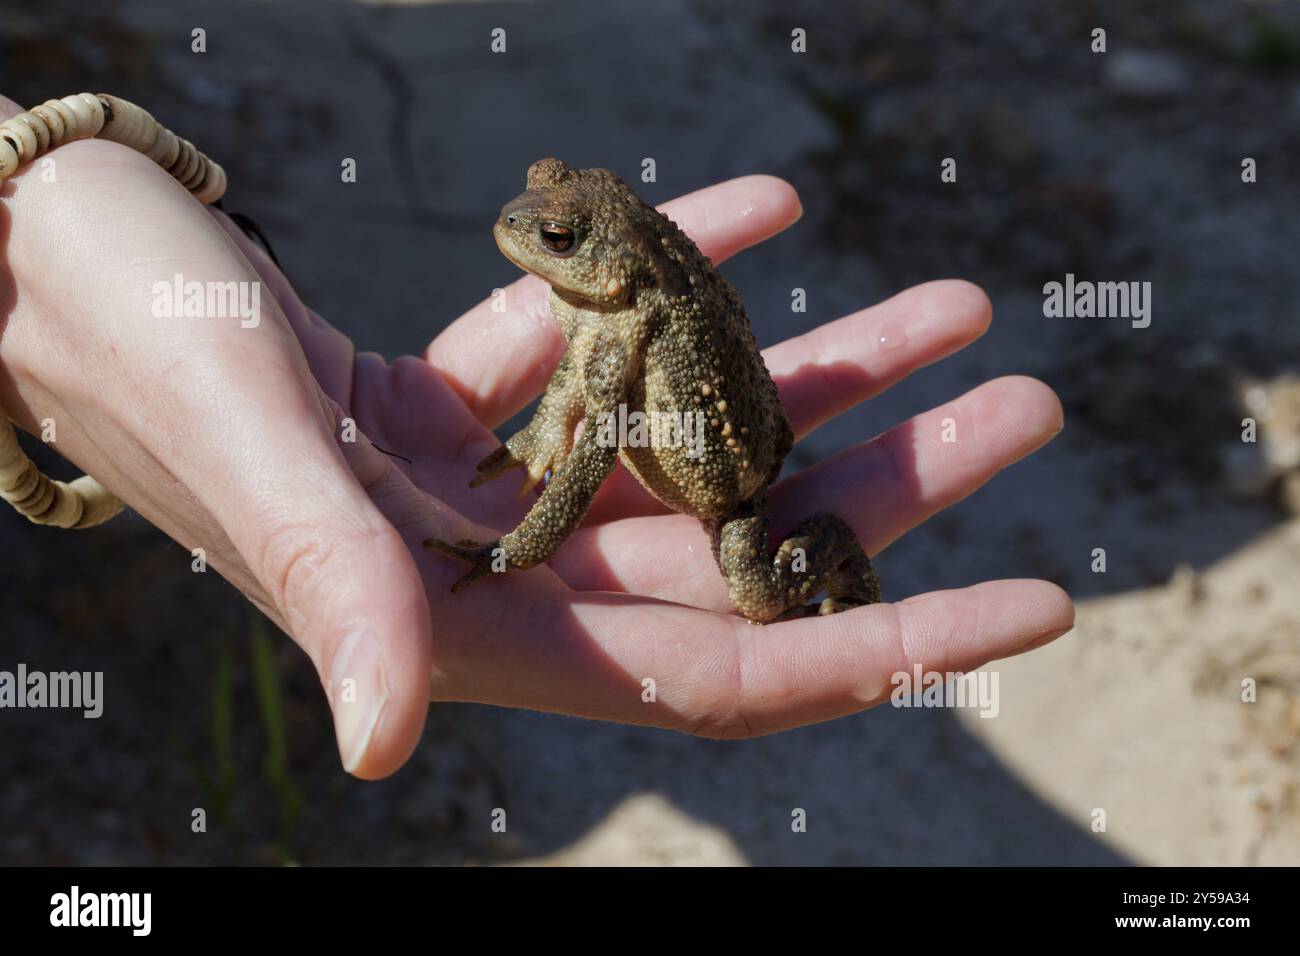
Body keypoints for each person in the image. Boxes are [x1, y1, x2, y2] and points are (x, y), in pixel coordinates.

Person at [0, 94, 1072, 780]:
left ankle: (828, 548)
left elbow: (596, 445)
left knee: (752, 588)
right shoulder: (599, 312)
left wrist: (516, 548)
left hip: (729, 482)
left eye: (555, 233)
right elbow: (577, 389)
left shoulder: (627, 317)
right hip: (668, 377)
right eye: (545, 212)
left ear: (606, 256)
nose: (525, 233)